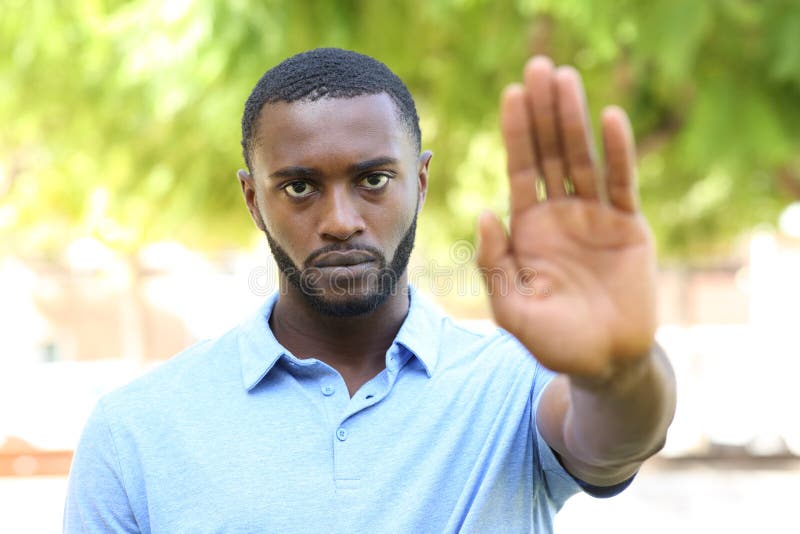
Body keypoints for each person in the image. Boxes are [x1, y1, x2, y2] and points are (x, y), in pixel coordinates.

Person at [64, 48, 676, 533]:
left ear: (421, 182)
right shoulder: (134, 431)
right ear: (253, 199)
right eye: (300, 187)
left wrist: (618, 368)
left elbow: (617, 438)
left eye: (374, 179)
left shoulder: (513, 386)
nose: (340, 219)